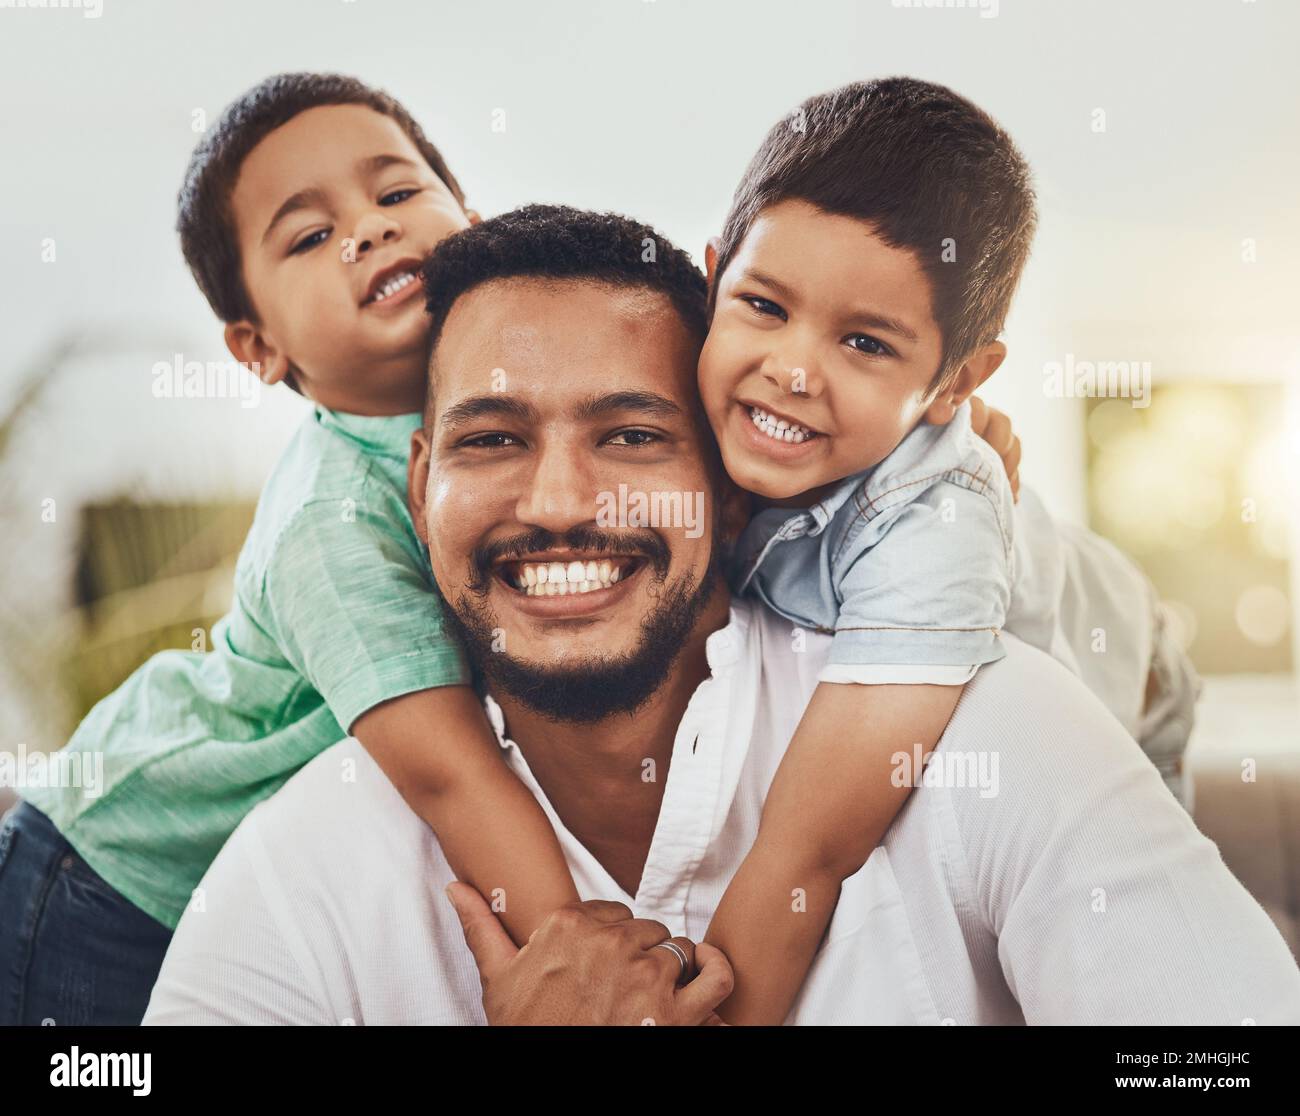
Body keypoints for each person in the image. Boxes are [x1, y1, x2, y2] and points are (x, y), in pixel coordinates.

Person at [143, 207, 1300, 1026]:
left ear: (734, 483)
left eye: (632, 436)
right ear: (417, 489)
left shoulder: (983, 729)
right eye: (491, 440)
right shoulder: (307, 867)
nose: (557, 504)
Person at [0, 73, 578, 1026]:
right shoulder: (332, 517)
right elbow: (449, 772)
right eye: (309, 236)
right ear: (256, 347)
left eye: (396, 194)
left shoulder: (530, 424)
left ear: (469, 217)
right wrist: (584, 953)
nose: (369, 230)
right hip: (107, 875)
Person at [693, 76, 1201, 1023]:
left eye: (865, 344)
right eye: (764, 305)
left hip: (1132, 668)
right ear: (711, 277)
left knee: (1104, 929)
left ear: (955, 382)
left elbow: (811, 845)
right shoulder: (675, 395)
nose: (793, 369)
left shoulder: (937, 520)